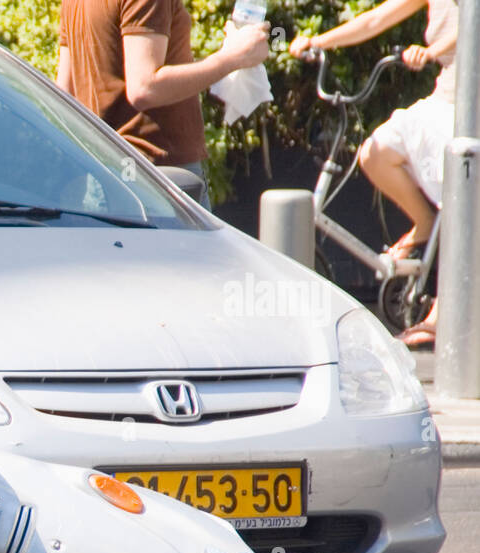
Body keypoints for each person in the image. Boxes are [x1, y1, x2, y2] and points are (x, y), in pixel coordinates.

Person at [290, 0, 458, 348]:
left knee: (460, 200)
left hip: (469, 107)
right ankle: (424, 222)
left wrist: (430, 52)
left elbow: (471, 32)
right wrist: (319, 41)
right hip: (443, 99)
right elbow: (377, 18)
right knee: (375, 153)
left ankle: (443, 316)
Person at [57, 0, 271, 200]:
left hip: (105, 169)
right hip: (156, 176)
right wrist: (233, 57)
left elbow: (63, 93)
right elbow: (145, 87)